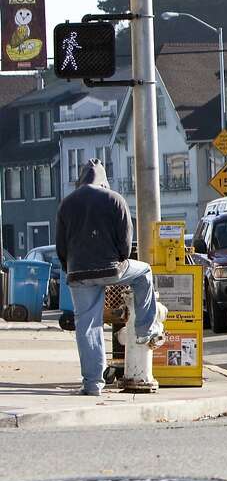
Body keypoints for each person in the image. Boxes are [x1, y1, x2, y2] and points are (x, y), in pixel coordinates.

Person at [56, 161, 165, 395]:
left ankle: (93, 384)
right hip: (111, 269)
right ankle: (145, 328)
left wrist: (71, 269)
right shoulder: (115, 199)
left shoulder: (67, 203)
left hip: (78, 273)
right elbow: (125, 244)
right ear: (103, 180)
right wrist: (118, 261)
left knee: (87, 327)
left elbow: (61, 247)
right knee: (144, 271)